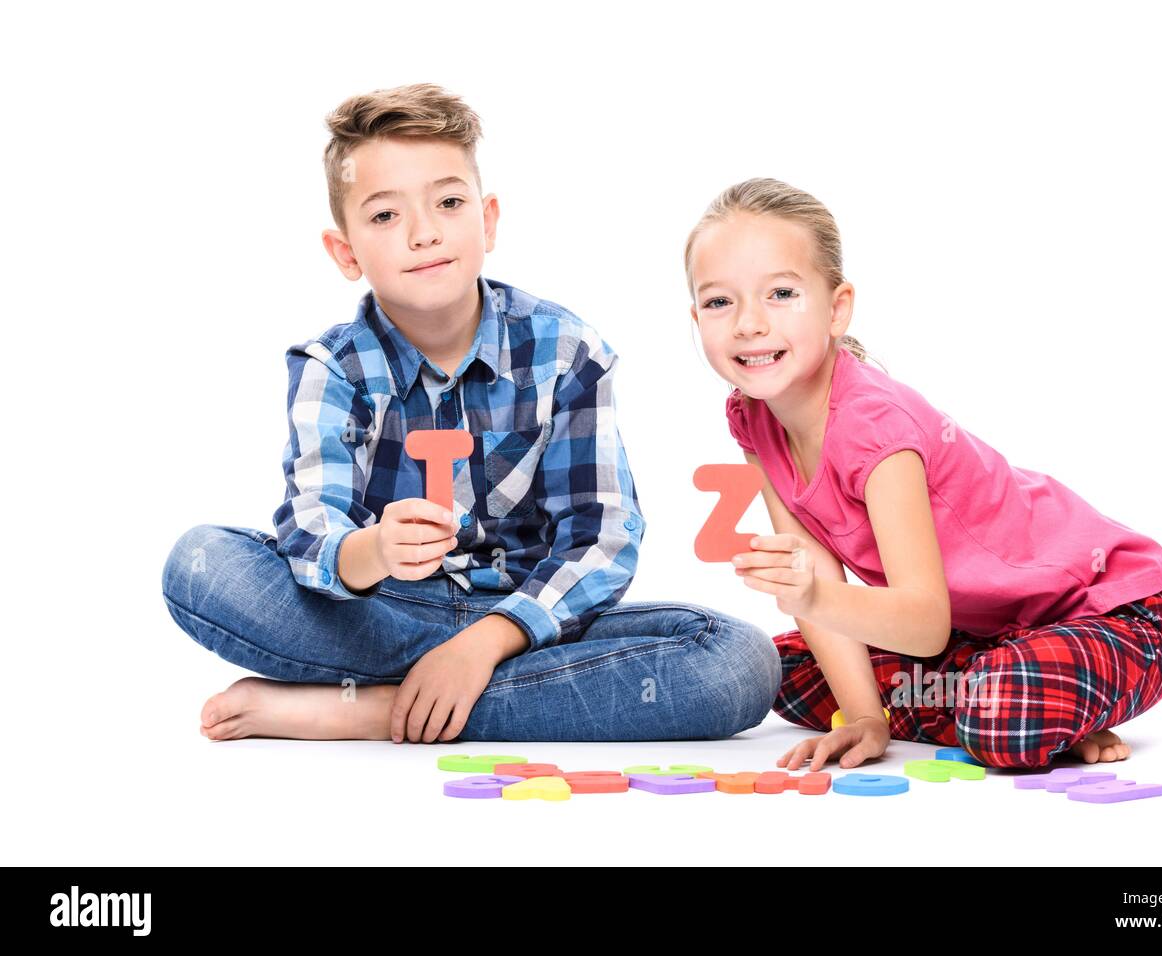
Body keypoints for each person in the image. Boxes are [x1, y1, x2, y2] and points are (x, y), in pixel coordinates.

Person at [161, 84, 779, 744]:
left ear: (487, 220)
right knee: (199, 564)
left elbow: (602, 536)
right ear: (345, 253)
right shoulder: (330, 368)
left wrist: (485, 643)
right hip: (383, 615)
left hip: (526, 625)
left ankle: (368, 709)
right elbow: (312, 528)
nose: (424, 233)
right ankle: (438, 693)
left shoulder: (565, 351)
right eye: (384, 217)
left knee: (734, 663)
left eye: (448, 203)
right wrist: (373, 551)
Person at [684, 177, 1162, 770]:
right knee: (786, 671)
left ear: (836, 309)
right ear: (696, 317)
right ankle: (1024, 701)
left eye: (780, 294)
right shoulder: (751, 416)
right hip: (980, 634)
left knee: (994, 704)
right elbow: (812, 569)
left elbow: (922, 627)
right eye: (720, 302)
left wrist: (820, 596)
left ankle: (1019, 703)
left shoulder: (876, 427)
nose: (748, 324)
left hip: (1117, 611)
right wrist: (867, 720)